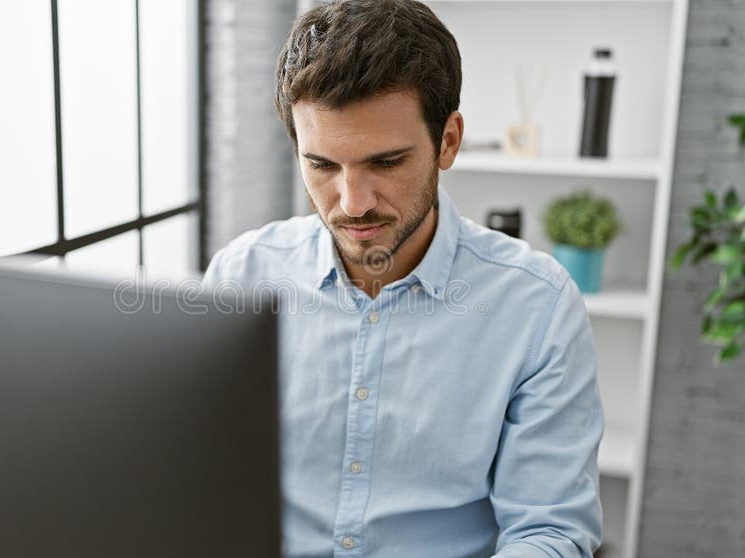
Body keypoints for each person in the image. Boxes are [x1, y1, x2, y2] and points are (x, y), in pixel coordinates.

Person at [203, 1, 603, 556]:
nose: (352, 203)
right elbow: (205, 481)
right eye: (322, 165)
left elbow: (549, 531)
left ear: (448, 141)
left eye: (386, 163)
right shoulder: (241, 276)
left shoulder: (537, 306)